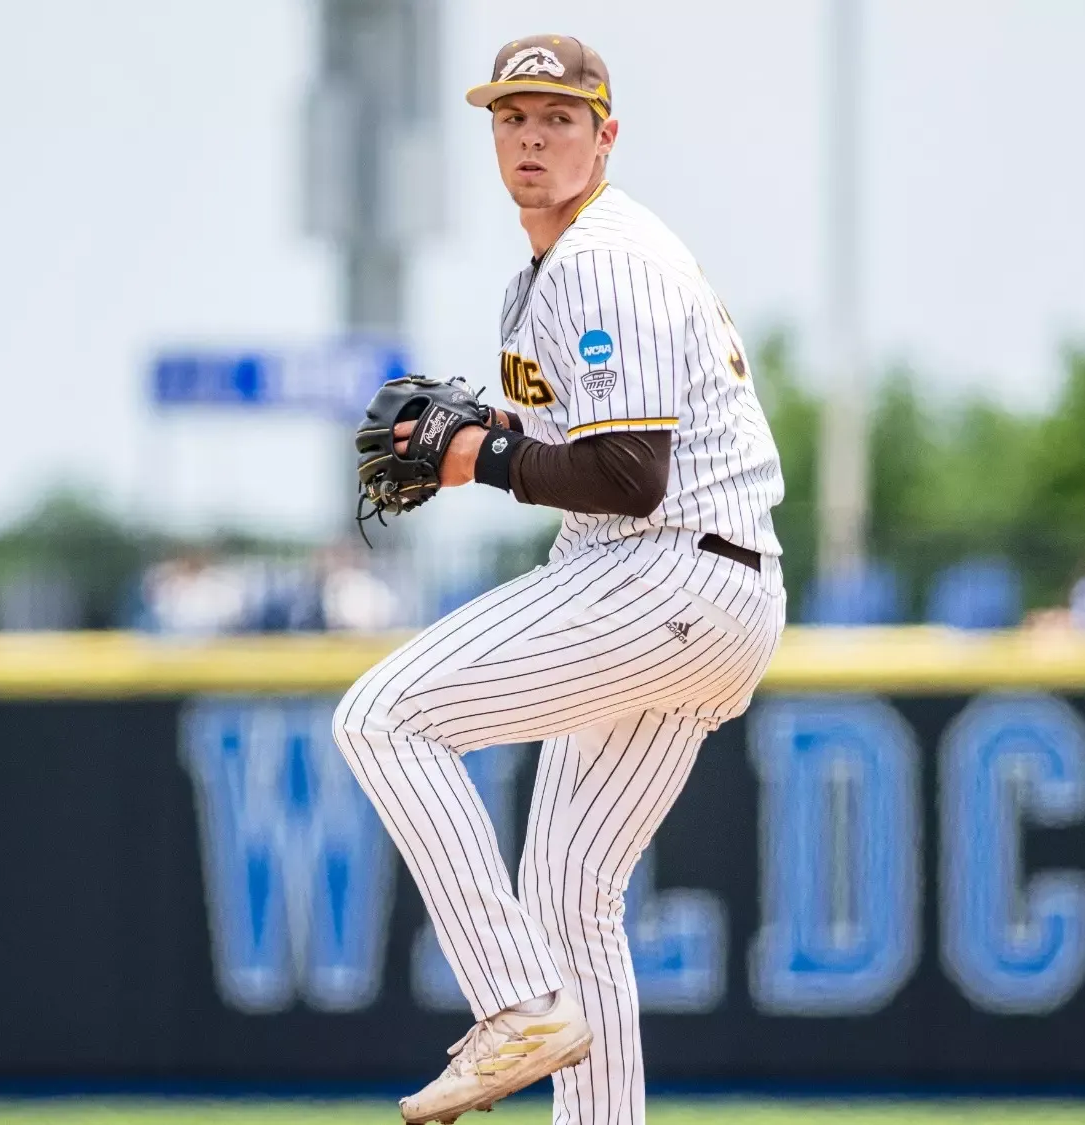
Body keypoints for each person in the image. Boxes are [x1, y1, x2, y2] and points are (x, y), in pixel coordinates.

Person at [332, 34, 786, 1125]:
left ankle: (516, 1007)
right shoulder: (548, 272)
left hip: (666, 568)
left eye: (558, 119)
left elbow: (628, 476)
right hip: (712, 589)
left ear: (604, 136)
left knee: (384, 718)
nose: (532, 137)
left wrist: (473, 456)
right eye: (512, 118)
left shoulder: (603, 260)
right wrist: (490, 430)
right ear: (491, 132)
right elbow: (569, 444)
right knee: (572, 892)